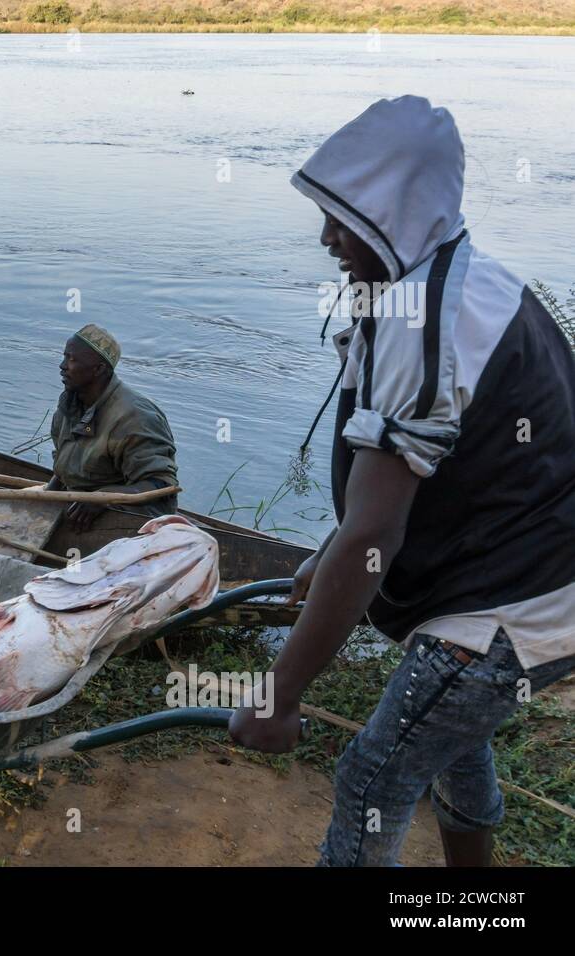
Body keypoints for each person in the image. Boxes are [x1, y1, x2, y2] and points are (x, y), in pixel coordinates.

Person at [229, 96, 575, 867]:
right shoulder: (469, 282)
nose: (325, 239)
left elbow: (376, 531)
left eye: (343, 219)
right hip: (534, 582)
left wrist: (279, 696)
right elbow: (416, 483)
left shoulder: (421, 323)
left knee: (373, 777)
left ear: (395, 214)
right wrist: (331, 548)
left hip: (508, 611)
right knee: (453, 740)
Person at [47, 324, 178, 532]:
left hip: (132, 522)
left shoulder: (135, 417)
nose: (62, 366)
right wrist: (47, 497)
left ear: (98, 369)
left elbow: (161, 486)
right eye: (64, 357)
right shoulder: (71, 403)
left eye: (72, 359)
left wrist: (103, 498)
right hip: (80, 507)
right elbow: (65, 466)